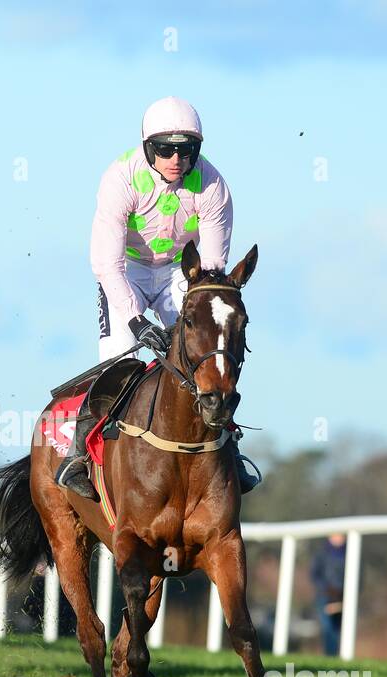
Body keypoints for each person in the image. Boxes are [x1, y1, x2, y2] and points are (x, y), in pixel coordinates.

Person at [54, 96, 261, 499]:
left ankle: (229, 449)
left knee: (204, 354)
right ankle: (78, 455)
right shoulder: (120, 179)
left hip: (180, 272)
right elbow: (106, 265)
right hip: (125, 270)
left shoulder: (214, 186)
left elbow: (214, 267)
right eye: (165, 149)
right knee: (120, 360)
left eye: (186, 150)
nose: (176, 159)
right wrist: (136, 322)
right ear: (148, 147)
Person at [311, 533, 347, 657]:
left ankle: (337, 657)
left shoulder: (351, 553)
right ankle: (330, 657)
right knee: (328, 629)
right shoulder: (321, 554)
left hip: (344, 597)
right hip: (325, 597)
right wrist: (327, 589)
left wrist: (344, 592)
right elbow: (315, 575)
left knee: (339, 629)